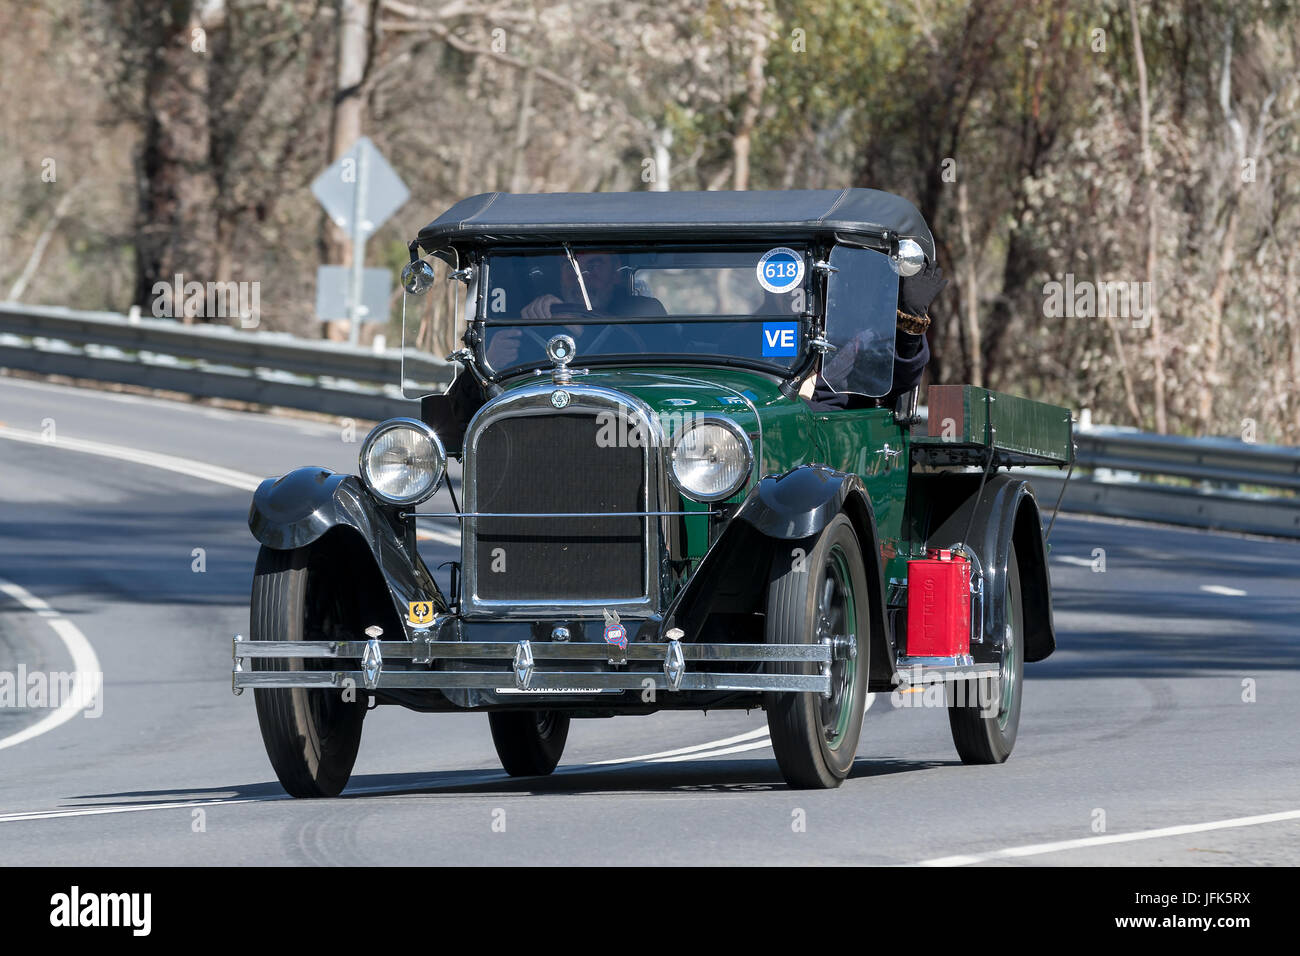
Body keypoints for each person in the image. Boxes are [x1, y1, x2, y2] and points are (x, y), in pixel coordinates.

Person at [487, 250, 665, 366]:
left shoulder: (643, 319)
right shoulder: (533, 324)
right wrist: (492, 360)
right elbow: (463, 412)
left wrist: (577, 327)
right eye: (569, 267)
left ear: (616, 273)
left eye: (594, 265)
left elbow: (661, 376)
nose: (581, 279)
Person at [812, 259, 946, 408]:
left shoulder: (869, 339)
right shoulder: (808, 322)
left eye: (864, 283)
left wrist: (911, 321)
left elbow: (895, 377)